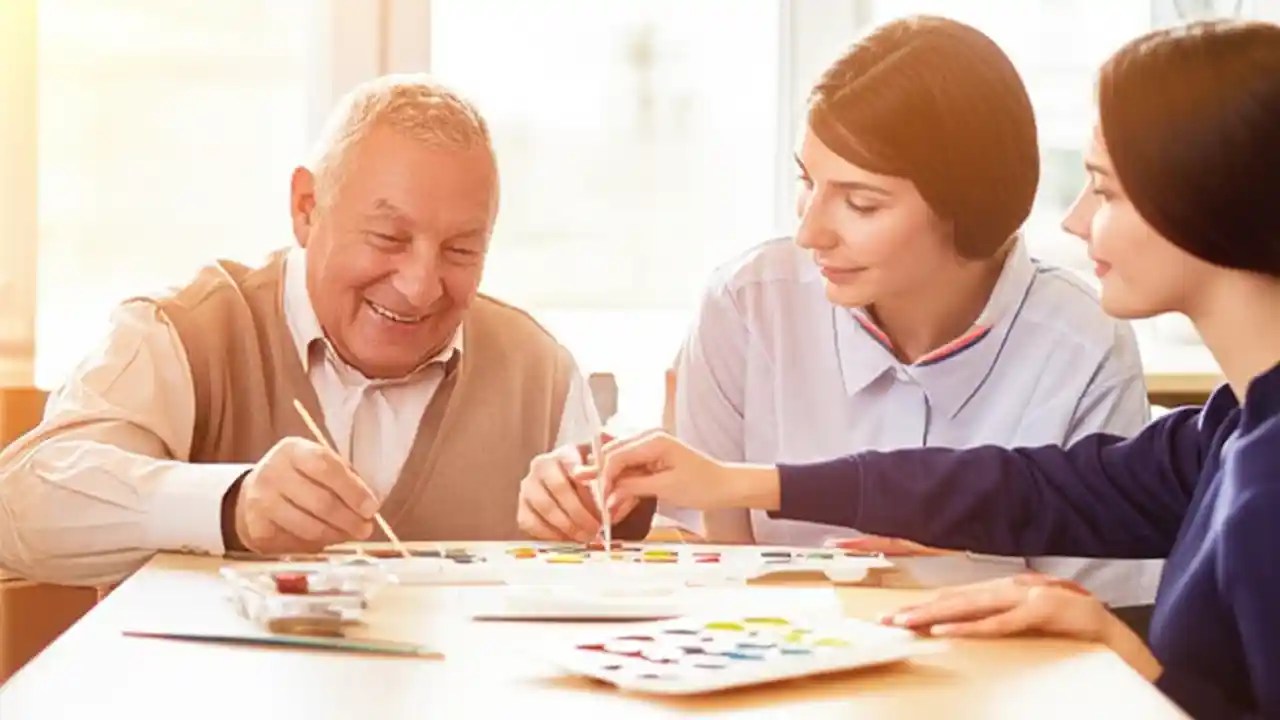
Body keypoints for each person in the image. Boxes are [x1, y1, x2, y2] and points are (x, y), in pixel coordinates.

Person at [590, 20, 1280, 719]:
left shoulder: (1266, 468)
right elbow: (1025, 487)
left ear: (1206, 198)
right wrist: (742, 483)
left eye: (1103, 193)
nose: (1072, 221)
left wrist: (1121, 652)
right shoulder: (1228, 430)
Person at [518, 15, 1162, 610]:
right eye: (807, 183)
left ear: (970, 207)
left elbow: (1104, 616)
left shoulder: (1082, 343)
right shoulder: (748, 304)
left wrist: (965, 576)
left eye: (861, 203)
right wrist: (593, 507)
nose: (811, 233)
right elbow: (699, 557)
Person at [0, 73, 651, 587]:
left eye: (460, 251)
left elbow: (621, 571)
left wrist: (606, 520)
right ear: (306, 208)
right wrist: (230, 504)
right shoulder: (181, 334)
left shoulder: (536, 370)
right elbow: (20, 508)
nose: (421, 286)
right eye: (388, 237)